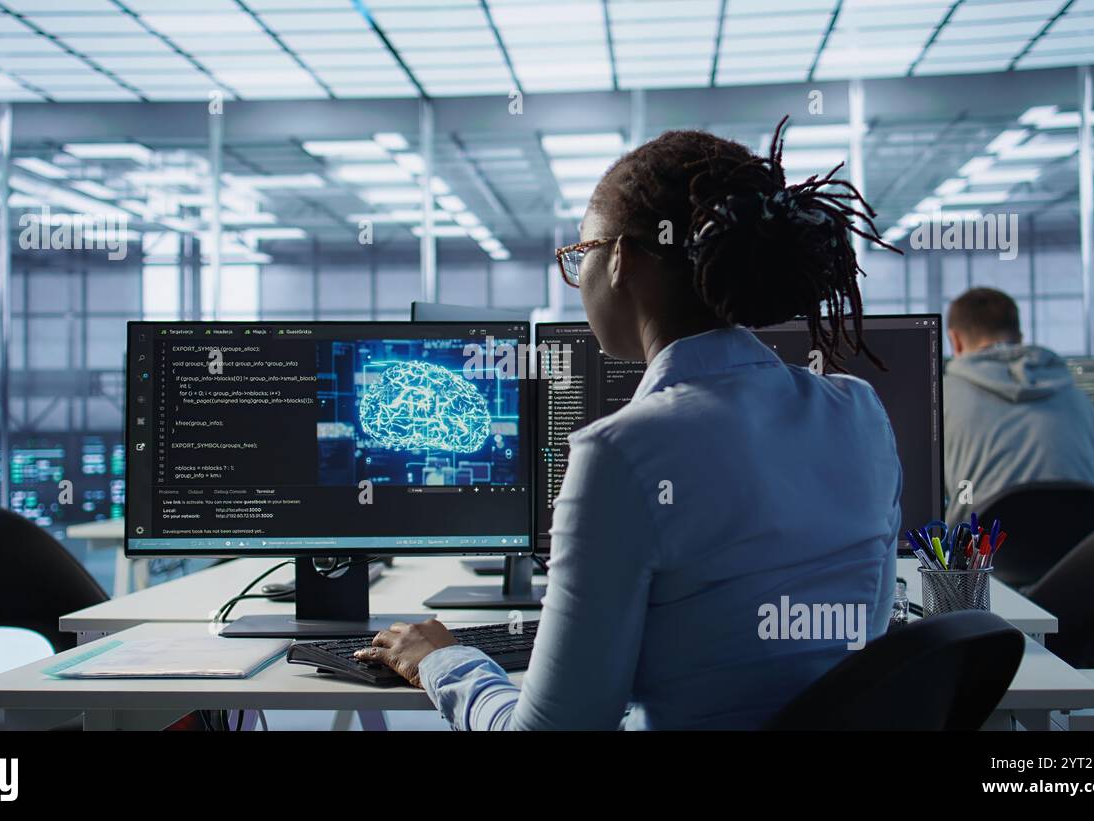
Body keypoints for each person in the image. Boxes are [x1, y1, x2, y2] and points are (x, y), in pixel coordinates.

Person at [354, 120, 903, 730]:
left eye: (577, 256)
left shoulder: (622, 452)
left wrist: (446, 661)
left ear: (620, 260)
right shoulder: (860, 412)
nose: (576, 278)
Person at [943, 287, 1094, 524]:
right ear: (1019, 338)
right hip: (1078, 557)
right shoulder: (1078, 399)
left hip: (980, 558)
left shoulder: (943, 398)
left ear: (955, 340)